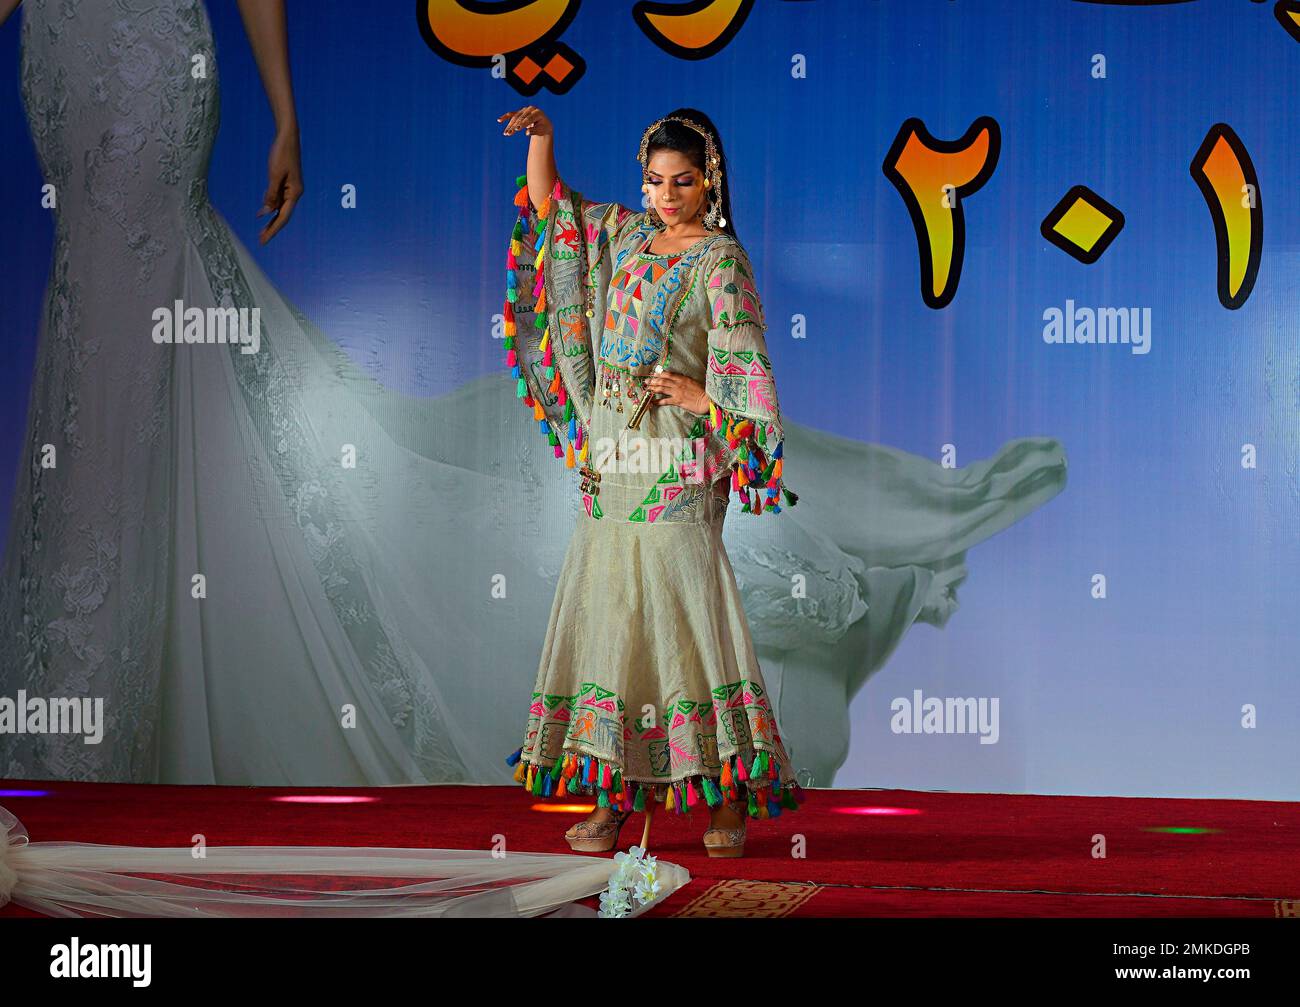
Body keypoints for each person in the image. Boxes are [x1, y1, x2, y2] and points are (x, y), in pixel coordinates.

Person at [499, 105, 803, 857]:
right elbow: (551, 212)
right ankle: (610, 799)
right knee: (613, 620)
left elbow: (747, 367)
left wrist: (705, 398)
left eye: (684, 182)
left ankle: (723, 796)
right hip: (613, 458)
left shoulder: (720, 261)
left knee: (687, 622)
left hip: (679, 460)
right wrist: (543, 140)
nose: (667, 196)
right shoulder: (626, 237)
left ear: (711, 182)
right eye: (655, 181)